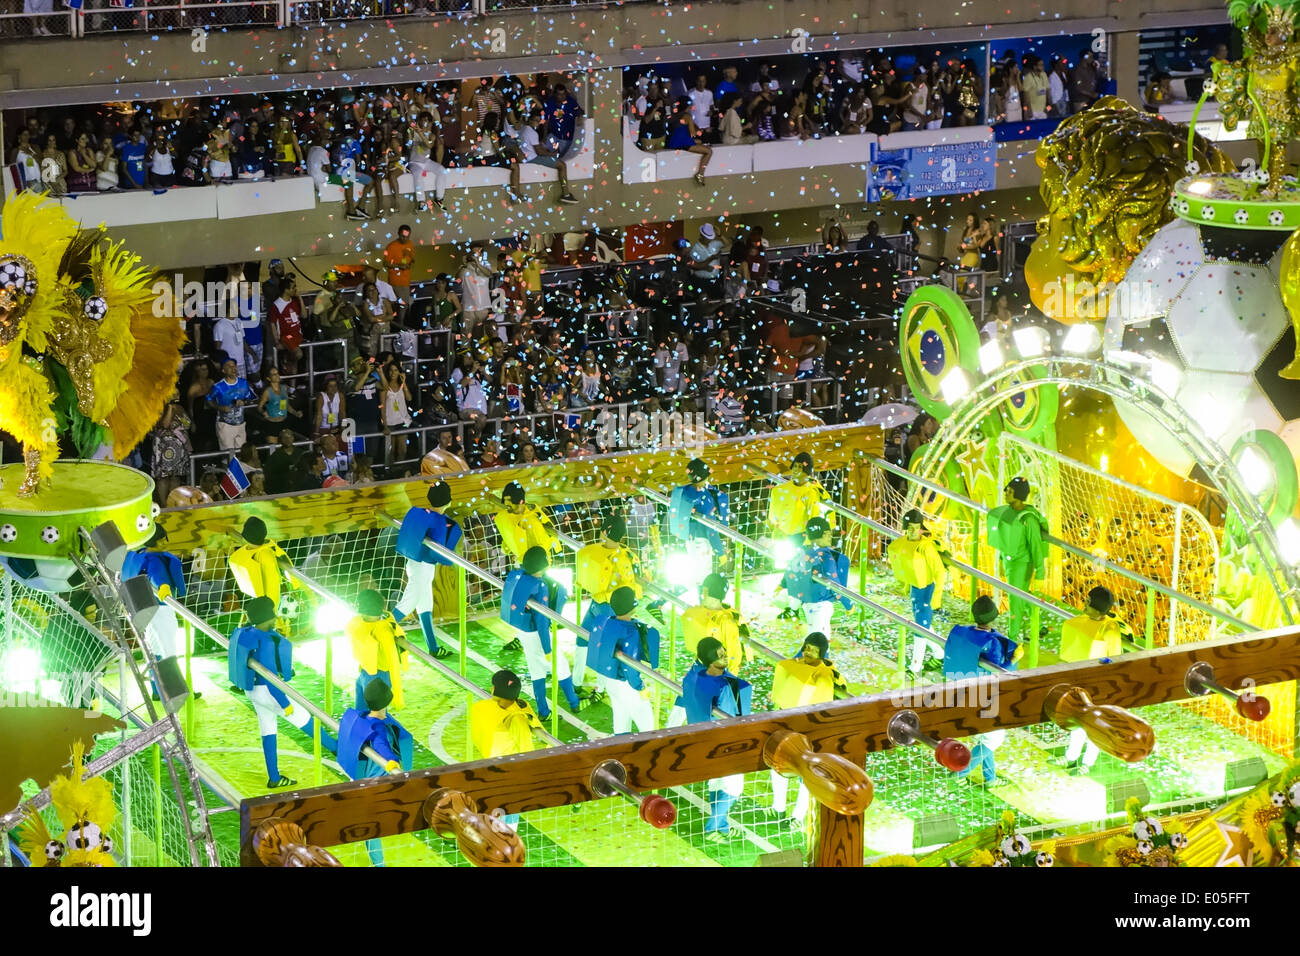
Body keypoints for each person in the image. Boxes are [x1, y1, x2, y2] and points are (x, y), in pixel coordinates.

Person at [229, 596, 337, 789]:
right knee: (307, 720)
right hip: (268, 693)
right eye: (273, 615)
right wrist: (285, 704)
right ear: (267, 617)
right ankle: (336, 748)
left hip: (251, 691)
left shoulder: (244, 633)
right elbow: (271, 677)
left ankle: (275, 777)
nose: (275, 619)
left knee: (268, 729)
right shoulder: (268, 642)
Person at [677, 637, 752, 842]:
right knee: (735, 786)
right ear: (709, 660)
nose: (725, 656)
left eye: (724, 652)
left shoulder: (693, 676)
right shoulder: (729, 686)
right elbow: (739, 716)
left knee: (717, 782)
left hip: (702, 740)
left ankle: (722, 826)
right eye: (720, 655)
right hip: (724, 742)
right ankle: (712, 828)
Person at [769, 632, 848, 824]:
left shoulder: (830, 675)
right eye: (807, 647)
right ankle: (777, 807)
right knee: (777, 765)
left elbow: (841, 691)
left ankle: (798, 815)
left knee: (808, 773)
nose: (808, 652)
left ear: (822, 653)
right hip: (788, 724)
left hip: (810, 729)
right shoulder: (794, 665)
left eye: (814, 649)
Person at [943, 596, 1019, 787]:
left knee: (985, 736)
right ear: (994, 617)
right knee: (992, 738)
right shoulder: (993, 641)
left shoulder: (962, 632)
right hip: (984, 695)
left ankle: (990, 778)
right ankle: (961, 771)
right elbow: (1000, 670)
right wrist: (1015, 658)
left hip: (959, 690)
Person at [500, 546, 584, 718]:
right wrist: (547, 650)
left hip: (522, 631)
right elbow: (541, 620)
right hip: (536, 634)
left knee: (536, 669)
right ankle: (574, 702)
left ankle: (543, 710)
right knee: (560, 666)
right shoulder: (540, 586)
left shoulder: (517, 575)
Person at [1055, 586, 1131, 775]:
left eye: (1088, 601)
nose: (1084, 604)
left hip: (1099, 684)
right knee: (1077, 718)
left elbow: (1115, 657)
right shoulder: (1079, 622)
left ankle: (1087, 762)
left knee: (1095, 723)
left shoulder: (1109, 628)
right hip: (1079, 679)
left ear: (1094, 605)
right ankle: (1071, 756)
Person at [337, 679, 412, 866]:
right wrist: (391, 761)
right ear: (387, 701)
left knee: (369, 823)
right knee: (371, 824)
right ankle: (379, 864)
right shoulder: (379, 727)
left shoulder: (361, 718)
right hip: (375, 782)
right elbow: (380, 743)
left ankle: (378, 862)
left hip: (358, 774)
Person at [121, 526, 201, 700]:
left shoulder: (137, 556)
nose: (167, 542)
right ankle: (178, 691)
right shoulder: (157, 560)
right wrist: (164, 587)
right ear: (159, 540)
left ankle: (158, 690)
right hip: (160, 609)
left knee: (155, 651)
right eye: (165, 538)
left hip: (141, 609)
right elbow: (157, 576)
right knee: (169, 651)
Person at [573, 515, 642, 696]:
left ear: (604, 531)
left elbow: (625, 589)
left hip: (608, 608)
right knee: (585, 640)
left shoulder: (621, 559)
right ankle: (578, 681)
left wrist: (602, 593)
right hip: (599, 604)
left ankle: (598, 687)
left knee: (601, 646)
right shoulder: (623, 556)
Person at [392, 481, 460, 658]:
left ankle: (434, 647)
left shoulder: (420, 513)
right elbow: (442, 556)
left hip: (414, 563)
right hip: (423, 567)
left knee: (425, 604)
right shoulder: (442, 523)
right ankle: (380, 630)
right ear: (448, 501)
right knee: (409, 603)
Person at [469, 670, 544, 829]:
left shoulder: (480, 707)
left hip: (486, 766)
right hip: (510, 774)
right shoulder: (517, 715)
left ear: (494, 690)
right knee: (507, 816)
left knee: (489, 811)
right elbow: (526, 749)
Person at [587, 586, 660, 734]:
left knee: (621, 723)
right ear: (633, 606)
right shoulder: (631, 632)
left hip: (611, 682)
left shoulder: (606, 621)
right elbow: (630, 667)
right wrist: (640, 687)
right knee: (648, 729)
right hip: (628, 686)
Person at [986, 476, 1049, 645]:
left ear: (1019, 494)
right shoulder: (1008, 512)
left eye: (1010, 490)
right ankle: (1038, 625)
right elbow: (1004, 537)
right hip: (1009, 561)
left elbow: (1036, 548)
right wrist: (1001, 558)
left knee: (1015, 602)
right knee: (1020, 597)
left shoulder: (1028, 519)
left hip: (1021, 564)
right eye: (1007, 489)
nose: (1006, 493)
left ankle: (1012, 640)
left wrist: (1040, 574)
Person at [888, 509, 949, 675]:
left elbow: (940, 571)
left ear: (921, 528)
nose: (912, 531)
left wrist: (936, 598)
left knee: (919, 629)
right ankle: (939, 652)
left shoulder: (926, 548)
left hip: (927, 591)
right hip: (916, 590)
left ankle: (915, 666)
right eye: (909, 528)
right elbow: (908, 567)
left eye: (915, 527)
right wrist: (907, 586)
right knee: (923, 625)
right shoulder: (906, 544)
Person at [782, 517, 850, 637]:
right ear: (823, 535)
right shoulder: (827, 558)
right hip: (822, 604)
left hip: (807, 603)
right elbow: (835, 585)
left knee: (814, 636)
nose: (830, 538)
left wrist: (782, 585)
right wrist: (848, 604)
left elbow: (791, 571)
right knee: (820, 639)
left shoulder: (802, 552)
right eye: (828, 534)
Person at [347, 588, 408, 712]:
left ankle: (379, 730)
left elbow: (391, 657)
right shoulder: (379, 623)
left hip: (378, 675)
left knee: (377, 713)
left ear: (362, 609)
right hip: (368, 672)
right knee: (363, 709)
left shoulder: (382, 630)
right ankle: (363, 726)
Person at [668, 457, 731, 568]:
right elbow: (711, 530)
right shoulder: (706, 498)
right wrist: (720, 552)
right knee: (704, 573)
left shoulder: (683, 492)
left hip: (688, 539)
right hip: (703, 542)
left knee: (692, 571)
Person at [228, 516, 294, 611]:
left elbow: (272, 586)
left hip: (269, 602)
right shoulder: (266, 548)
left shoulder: (266, 556)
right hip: (261, 597)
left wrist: (271, 610)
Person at [767, 452, 834, 538]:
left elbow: (814, 518)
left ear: (806, 470)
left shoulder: (811, 492)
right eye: (795, 466)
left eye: (800, 467)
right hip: (781, 534)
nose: (796, 469)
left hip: (800, 537)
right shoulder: (779, 490)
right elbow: (773, 516)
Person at [494, 480, 560, 568]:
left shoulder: (533, 516)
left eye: (509, 502)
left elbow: (552, 533)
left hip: (538, 563)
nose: (507, 506)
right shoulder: (513, 518)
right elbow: (511, 537)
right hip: (530, 563)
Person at [206, 358, 255, 451]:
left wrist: (244, 401)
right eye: (229, 366)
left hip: (240, 424)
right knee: (228, 455)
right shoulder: (218, 386)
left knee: (242, 454)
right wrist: (220, 407)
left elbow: (251, 398)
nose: (233, 368)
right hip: (225, 425)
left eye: (234, 366)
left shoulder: (243, 383)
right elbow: (208, 401)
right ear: (223, 370)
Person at [384, 225, 416, 323]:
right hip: (395, 281)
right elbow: (385, 263)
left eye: (407, 236)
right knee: (401, 305)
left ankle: (399, 324)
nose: (405, 239)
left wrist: (409, 265)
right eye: (403, 236)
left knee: (403, 305)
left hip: (405, 281)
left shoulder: (410, 244)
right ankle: (398, 325)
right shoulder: (391, 246)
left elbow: (413, 259)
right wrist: (398, 266)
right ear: (398, 234)